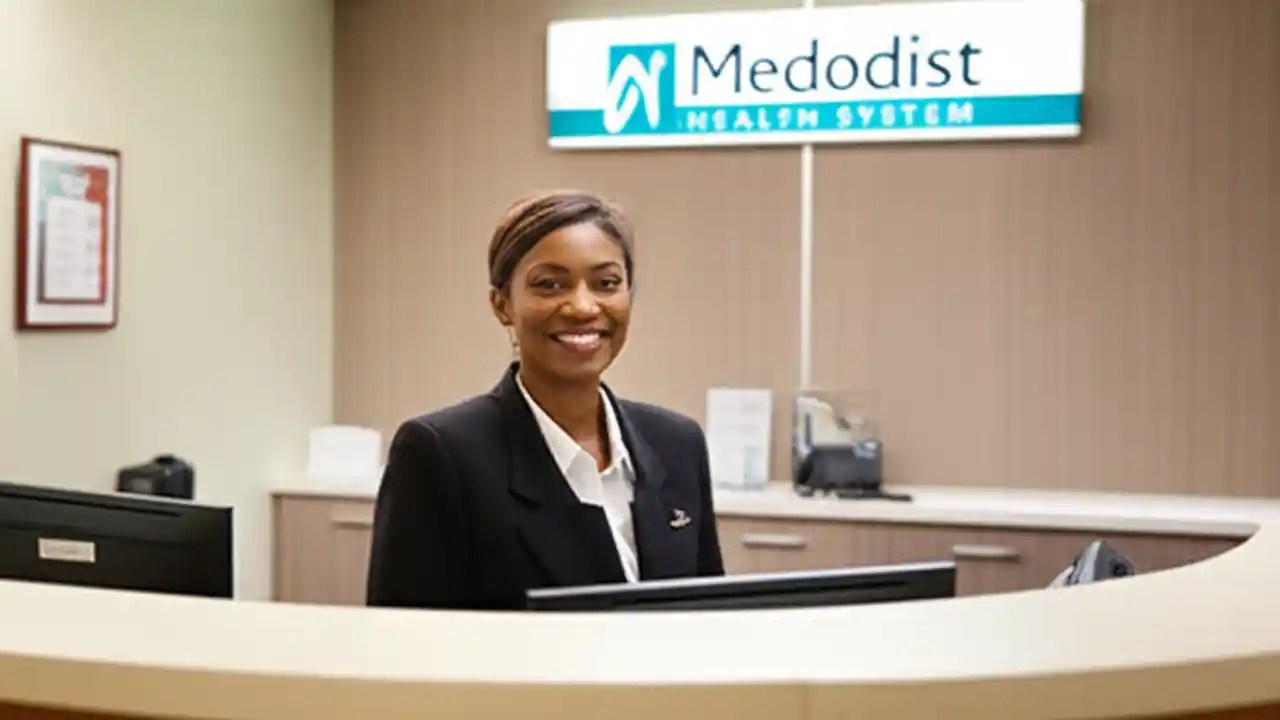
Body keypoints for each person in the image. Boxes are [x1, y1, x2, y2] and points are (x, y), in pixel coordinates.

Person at [365, 189, 725, 610]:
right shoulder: (440, 454)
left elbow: (710, 623)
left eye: (606, 283)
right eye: (550, 284)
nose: (582, 306)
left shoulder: (677, 443)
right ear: (502, 305)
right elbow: (407, 646)